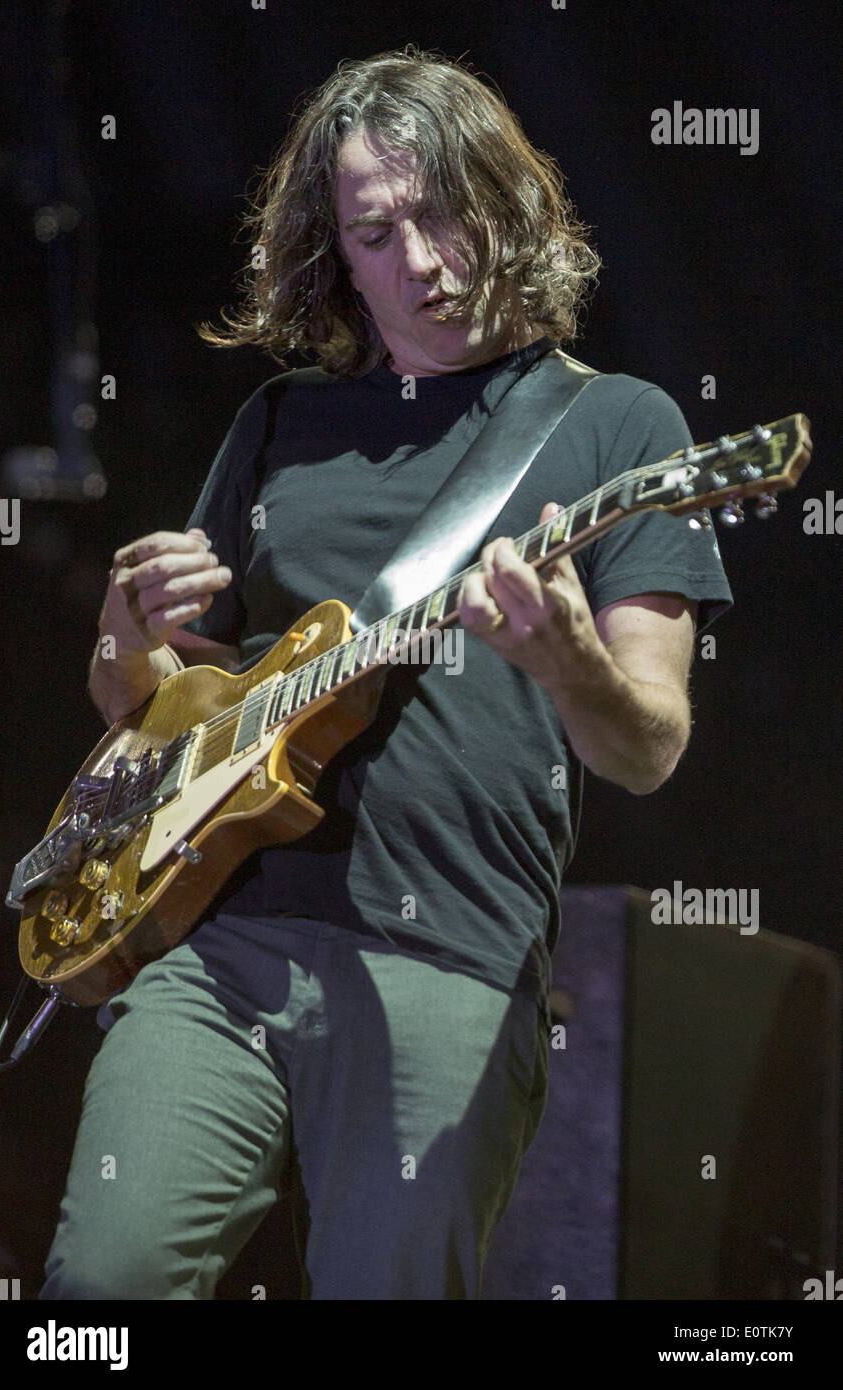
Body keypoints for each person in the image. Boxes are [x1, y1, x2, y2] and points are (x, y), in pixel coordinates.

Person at [39, 47, 732, 1301]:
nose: (419, 262)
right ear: (335, 256)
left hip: (447, 955)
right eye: (374, 233)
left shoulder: (621, 427)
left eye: (444, 215)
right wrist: (124, 631)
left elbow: (647, 746)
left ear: (503, 205)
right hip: (216, 943)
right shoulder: (276, 423)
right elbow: (151, 714)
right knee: (98, 1292)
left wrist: (568, 659)